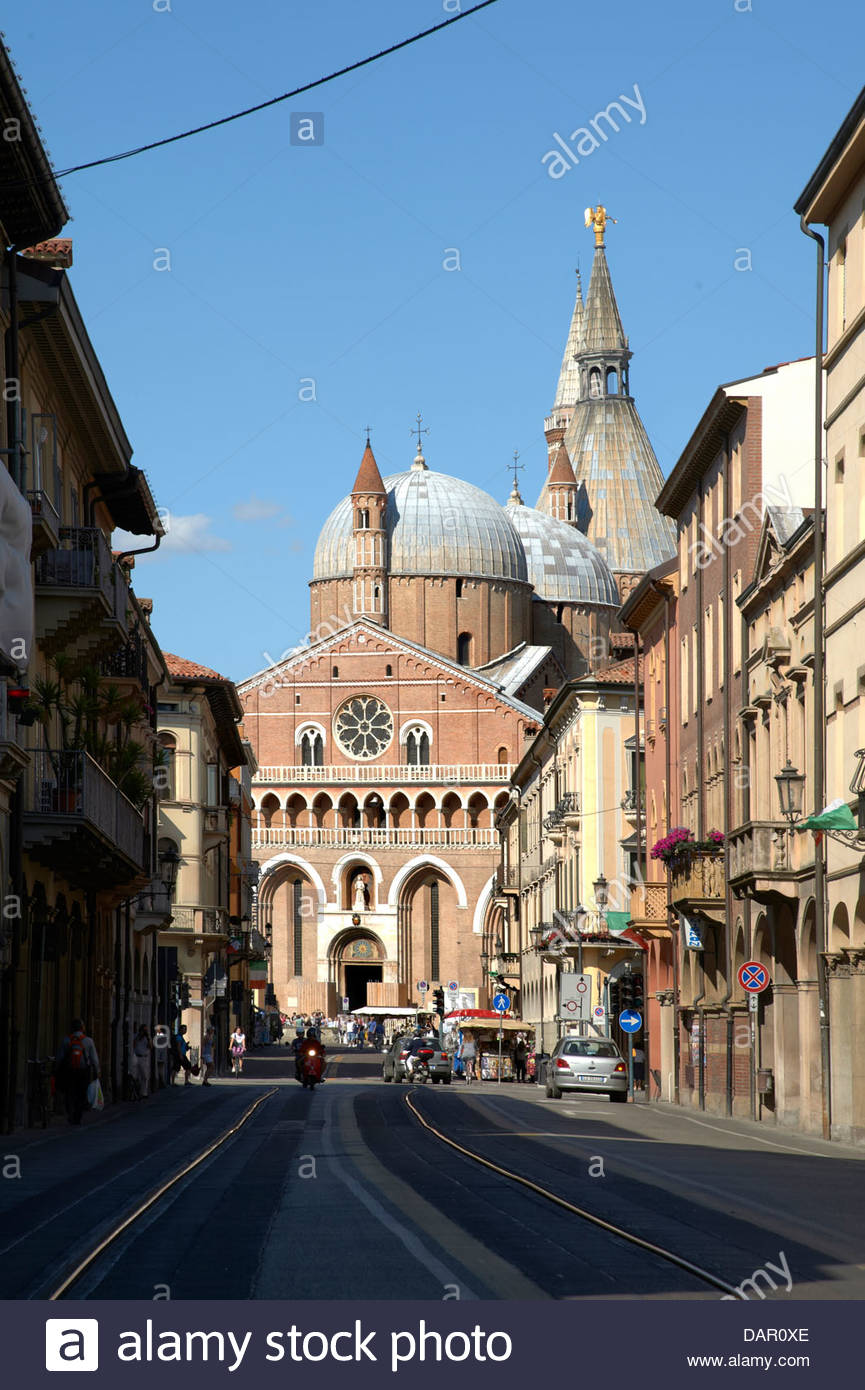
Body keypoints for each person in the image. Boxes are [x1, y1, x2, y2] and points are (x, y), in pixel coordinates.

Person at [54, 1018, 99, 1125]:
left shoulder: (66, 1040)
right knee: (81, 1093)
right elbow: (94, 1059)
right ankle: (77, 1116)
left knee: (69, 1093)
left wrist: (56, 1069)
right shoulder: (88, 1041)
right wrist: (97, 1070)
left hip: (69, 1071)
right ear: (82, 1028)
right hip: (83, 1072)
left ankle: (70, 1113)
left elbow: (60, 1057)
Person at [131, 1024, 152, 1098]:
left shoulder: (147, 1038)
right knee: (135, 1075)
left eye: (146, 1030)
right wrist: (139, 1037)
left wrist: (148, 1038)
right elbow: (133, 1044)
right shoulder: (136, 1036)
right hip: (136, 1056)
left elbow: (150, 1047)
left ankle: (144, 1093)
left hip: (144, 1058)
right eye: (144, 1030)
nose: (145, 1031)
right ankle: (136, 1092)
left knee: (145, 1076)